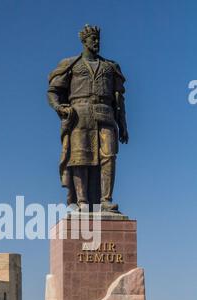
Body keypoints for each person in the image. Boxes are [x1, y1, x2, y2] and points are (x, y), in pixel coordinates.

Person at [48, 24, 128, 212]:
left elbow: (118, 98)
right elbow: (53, 92)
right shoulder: (71, 64)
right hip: (79, 114)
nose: (97, 42)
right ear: (84, 41)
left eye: (98, 39)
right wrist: (59, 107)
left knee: (109, 156)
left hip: (105, 113)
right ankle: (82, 201)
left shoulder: (110, 67)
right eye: (93, 39)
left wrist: (123, 124)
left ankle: (106, 200)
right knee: (79, 157)